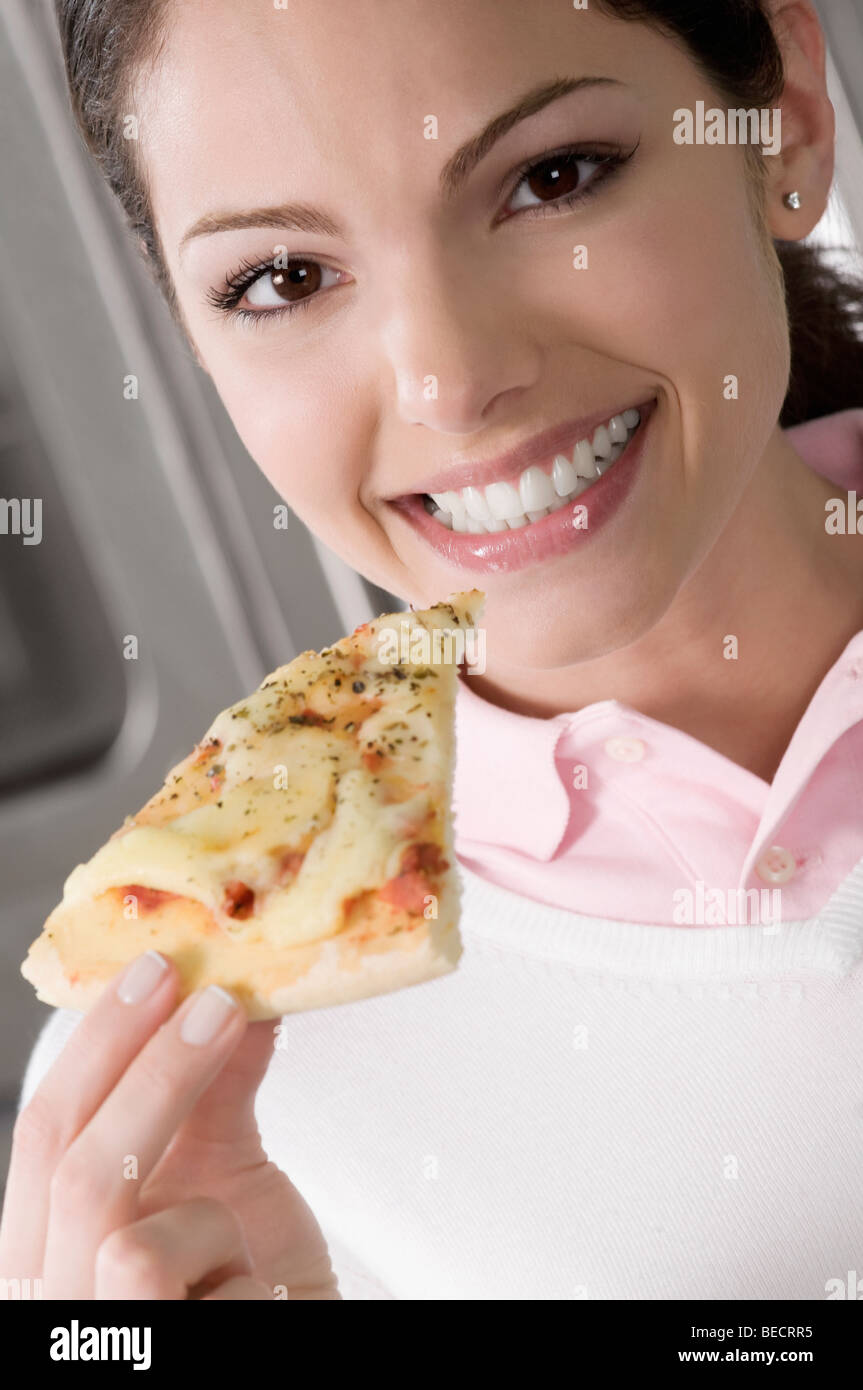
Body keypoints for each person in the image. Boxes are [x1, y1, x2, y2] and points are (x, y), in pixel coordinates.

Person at [2, 0, 863, 1299]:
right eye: (284, 277)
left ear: (786, 119)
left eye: (550, 179)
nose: (448, 381)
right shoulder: (175, 1102)